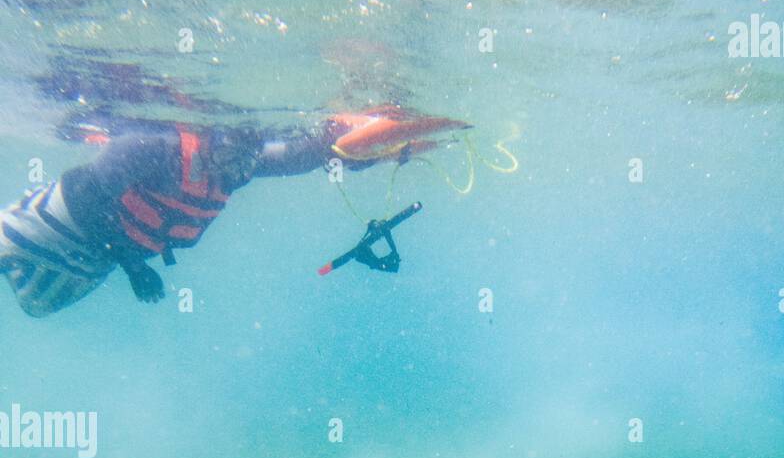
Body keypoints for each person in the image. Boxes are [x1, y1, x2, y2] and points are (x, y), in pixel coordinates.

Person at [0, 107, 467, 317]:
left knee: (37, 306)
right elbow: (86, 194)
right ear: (211, 138)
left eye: (247, 162)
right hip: (50, 227)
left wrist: (381, 147)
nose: (239, 172)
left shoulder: (240, 164)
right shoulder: (149, 147)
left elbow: (306, 155)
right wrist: (132, 265)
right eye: (231, 159)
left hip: (92, 259)